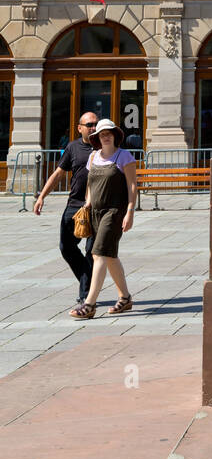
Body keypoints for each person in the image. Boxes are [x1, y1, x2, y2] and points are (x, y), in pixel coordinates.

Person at [68, 118, 137, 320]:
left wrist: (130, 211)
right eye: (101, 134)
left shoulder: (124, 156)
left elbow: (133, 186)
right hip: (95, 212)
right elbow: (90, 184)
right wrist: (87, 203)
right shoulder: (93, 157)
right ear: (97, 138)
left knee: (98, 254)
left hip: (114, 212)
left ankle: (89, 304)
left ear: (115, 135)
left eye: (109, 132)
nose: (105, 136)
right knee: (109, 256)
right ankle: (125, 298)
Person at [33, 111, 97, 308]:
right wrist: (42, 196)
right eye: (89, 125)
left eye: (95, 124)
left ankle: (86, 296)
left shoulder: (104, 146)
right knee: (66, 247)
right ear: (80, 128)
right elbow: (58, 174)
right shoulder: (73, 147)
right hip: (74, 206)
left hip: (96, 208)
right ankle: (88, 285)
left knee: (91, 251)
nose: (93, 127)